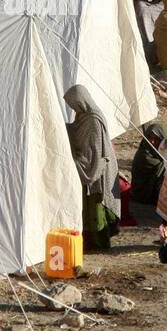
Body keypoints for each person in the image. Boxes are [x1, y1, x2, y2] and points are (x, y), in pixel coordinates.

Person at [63, 85, 120, 251]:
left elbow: (94, 151)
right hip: (88, 164)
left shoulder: (93, 120)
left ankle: (99, 243)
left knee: (95, 208)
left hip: (95, 170)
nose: (72, 107)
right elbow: (76, 131)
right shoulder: (83, 116)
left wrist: (78, 161)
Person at [128, 122, 167, 224]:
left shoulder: (165, 152)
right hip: (143, 197)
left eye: (156, 138)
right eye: (149, 137)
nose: (152, 141)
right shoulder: (143, 155)